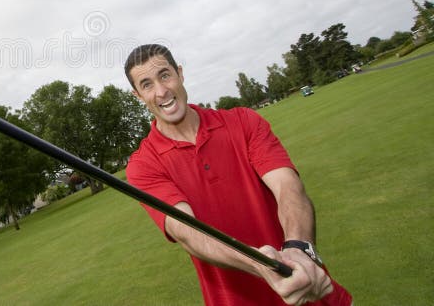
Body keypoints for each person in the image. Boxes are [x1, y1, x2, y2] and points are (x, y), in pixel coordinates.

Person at [124, 44, 352, 306]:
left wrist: (300, 249)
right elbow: (189, 233)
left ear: (180, 73)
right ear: (138, 95)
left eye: (165, 75)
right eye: (147, 84)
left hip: (311, 288)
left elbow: (288, 187)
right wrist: (262, 266)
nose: (161, 91)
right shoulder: (143, 165)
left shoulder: (243, 121)